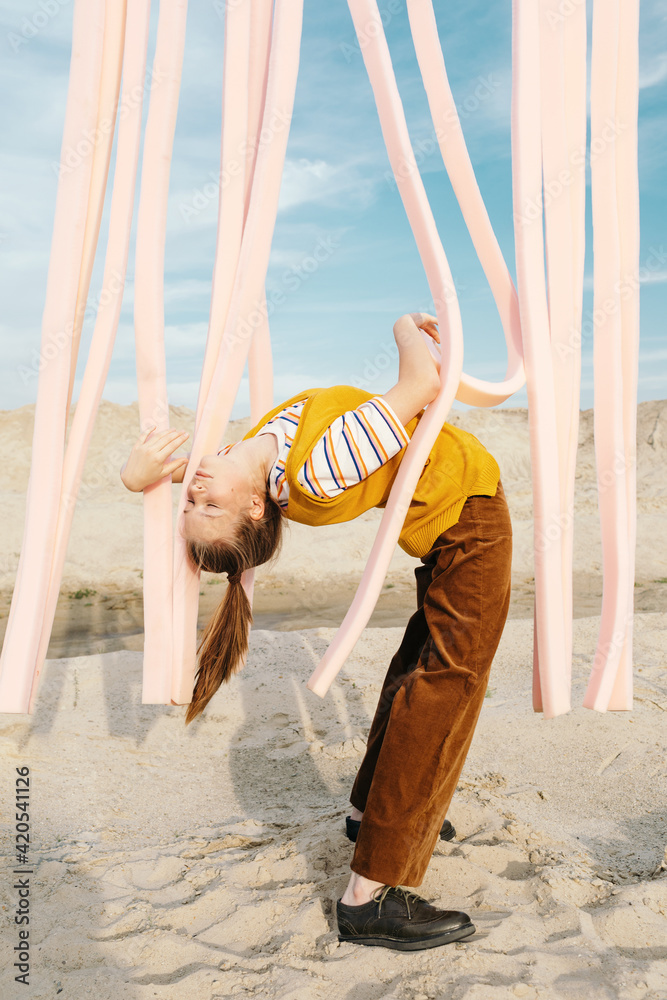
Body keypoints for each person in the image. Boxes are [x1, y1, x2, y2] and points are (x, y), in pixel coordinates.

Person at [120, 312, 513, 952]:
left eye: (191, 505)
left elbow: (187, 473)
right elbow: (420, 382)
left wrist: (139, 479)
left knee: (419, 670)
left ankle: (368, 816)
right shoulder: (317, 470)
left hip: (452, 518)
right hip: (469, 519)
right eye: (204, 506)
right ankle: (369, 896)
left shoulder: (252, 452)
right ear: (254, 507)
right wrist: (402, 327)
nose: (192, 496)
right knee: (447, 687)